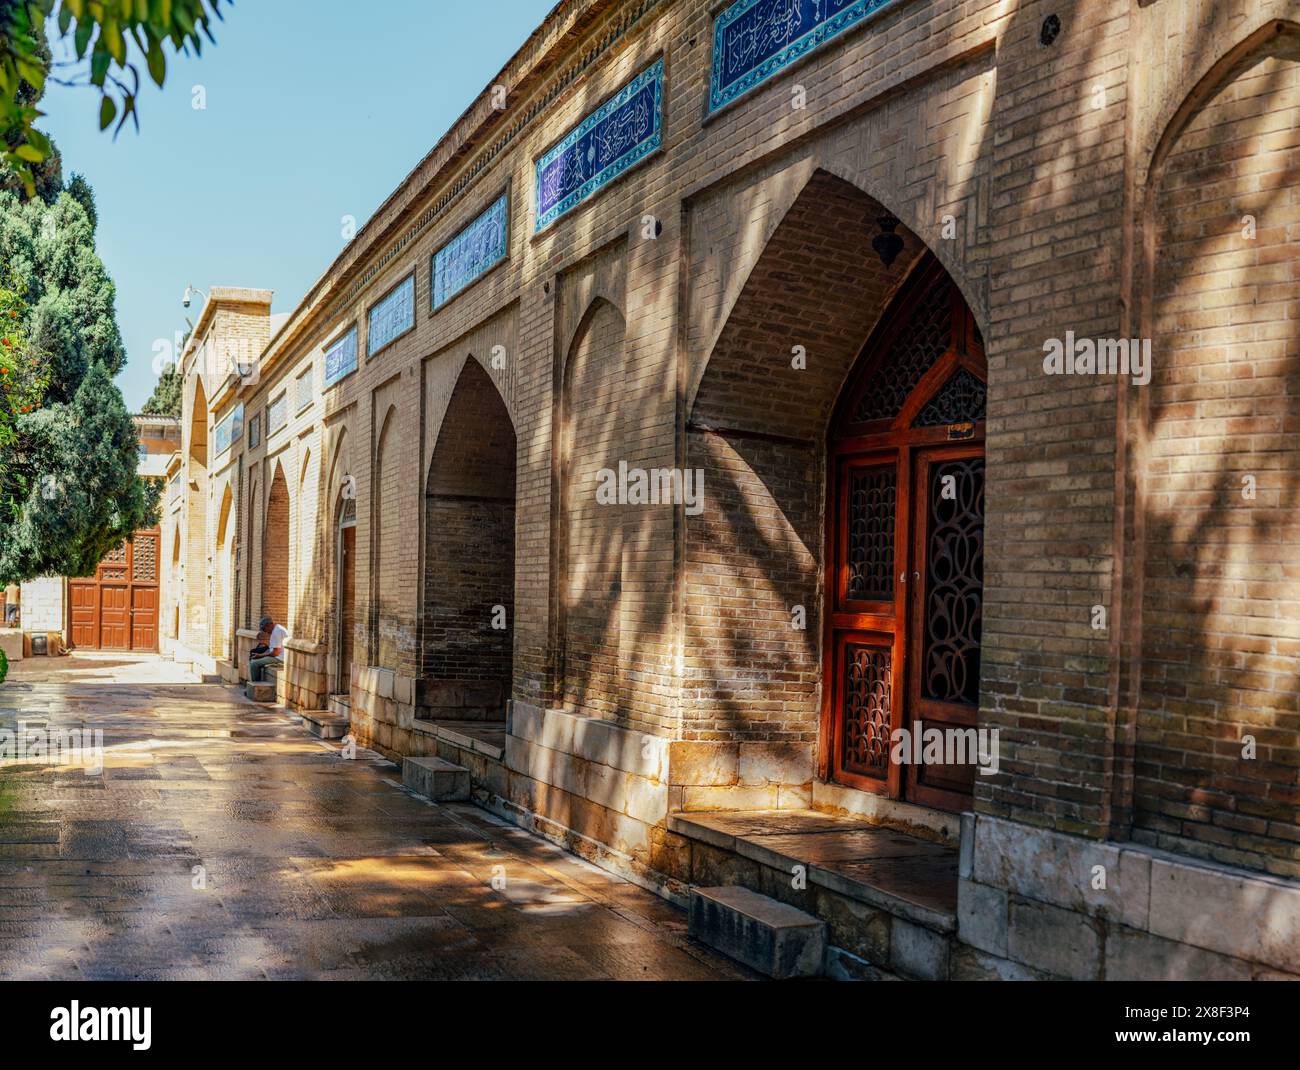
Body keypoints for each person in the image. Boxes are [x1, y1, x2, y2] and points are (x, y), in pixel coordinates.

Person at [249, 615, 287, 682]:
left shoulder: (276, 632)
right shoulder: (277, 629)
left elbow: (276, 653)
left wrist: (260, 656)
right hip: (278, 656)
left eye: (264, 629)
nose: (265, 631)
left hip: (279, 658)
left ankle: (256, 686)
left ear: (268, 625)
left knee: (254, 663)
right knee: (255, 656)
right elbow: (273, 649)